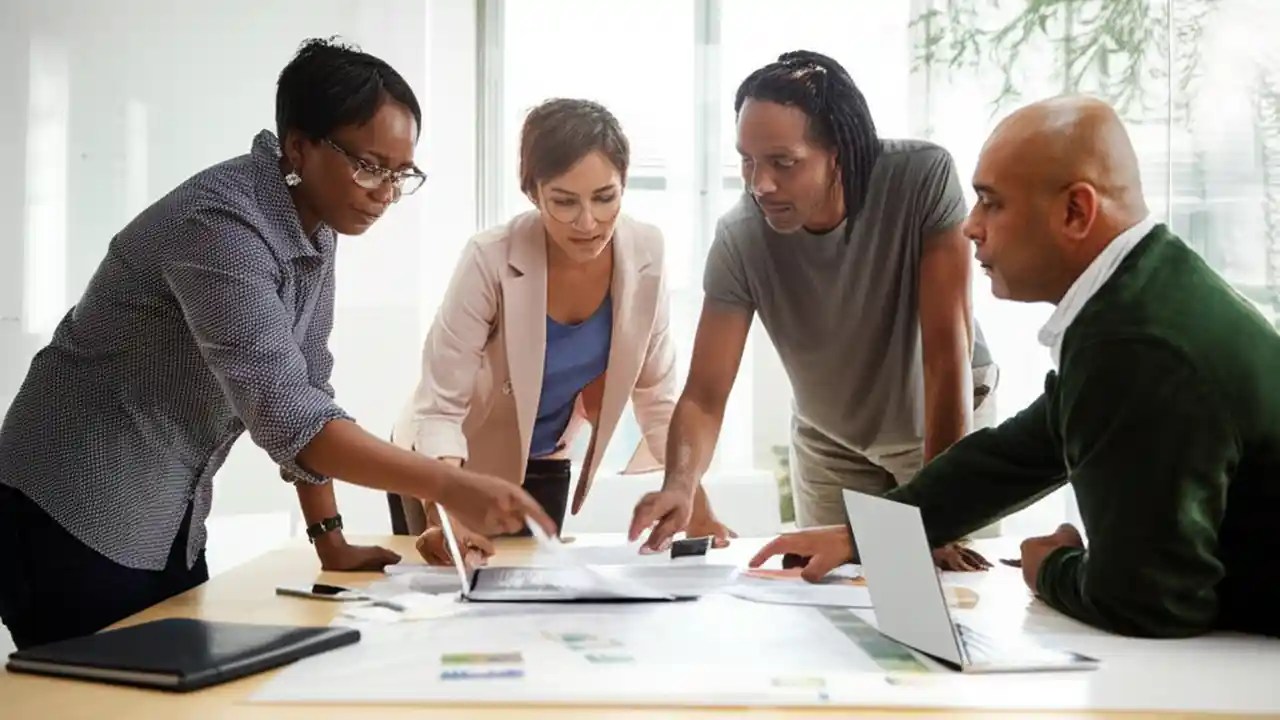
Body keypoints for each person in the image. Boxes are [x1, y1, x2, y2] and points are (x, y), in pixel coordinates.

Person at [0, 38, 553, 651]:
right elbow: (290, 415)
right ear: (298, 147)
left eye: (401, 174)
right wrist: (447, 485)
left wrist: (331, 541)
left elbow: (308, 386)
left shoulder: (314, 226)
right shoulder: (220, 227)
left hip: (165, 514)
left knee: (178, 678)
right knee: (95, 691)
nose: (386, 193)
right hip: (72, 503)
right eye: (370, 166)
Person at [751, 95, 1280, 639]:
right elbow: (1016, 455)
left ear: (1076, 212)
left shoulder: (1137, 345)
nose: (970, 227)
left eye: (991, 203)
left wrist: (1047, 566)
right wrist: (859, 536)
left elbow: (1148, 603)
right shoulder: (1144, 297)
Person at [630, 50, 997, 568]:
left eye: (784, 162)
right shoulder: (740, 237)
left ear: (840, 153)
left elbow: (946, 354)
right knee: (832, 591)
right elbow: (705, 396)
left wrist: (938, 510)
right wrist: (680, 483)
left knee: (941, 589)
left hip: (937, 424)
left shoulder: (921, 178)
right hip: (830, 440)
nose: (760, 184)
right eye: (748, 161)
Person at [391, 98, 733, 565]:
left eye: (605, 197)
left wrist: (694, 499)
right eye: (564, 202)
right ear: (533, 192)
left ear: (624, 183)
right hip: (449, 460)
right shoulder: (489, 258)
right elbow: (440, 408)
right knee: (452, 587)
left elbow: (656, 397)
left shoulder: (645, 253)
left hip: (547, 457)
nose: (588, 222)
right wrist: (446, 506)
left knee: (538, 595)